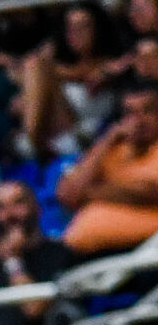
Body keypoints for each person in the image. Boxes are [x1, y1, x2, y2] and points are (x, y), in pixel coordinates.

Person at [58, 80, 158, 254]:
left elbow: (151, 192)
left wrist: (89, 192)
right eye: (130, 113)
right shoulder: (111, 149)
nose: (138, 121)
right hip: (91, 257)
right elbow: (69, 194)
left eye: (147, 111)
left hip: (144, 255)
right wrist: (108, 139)